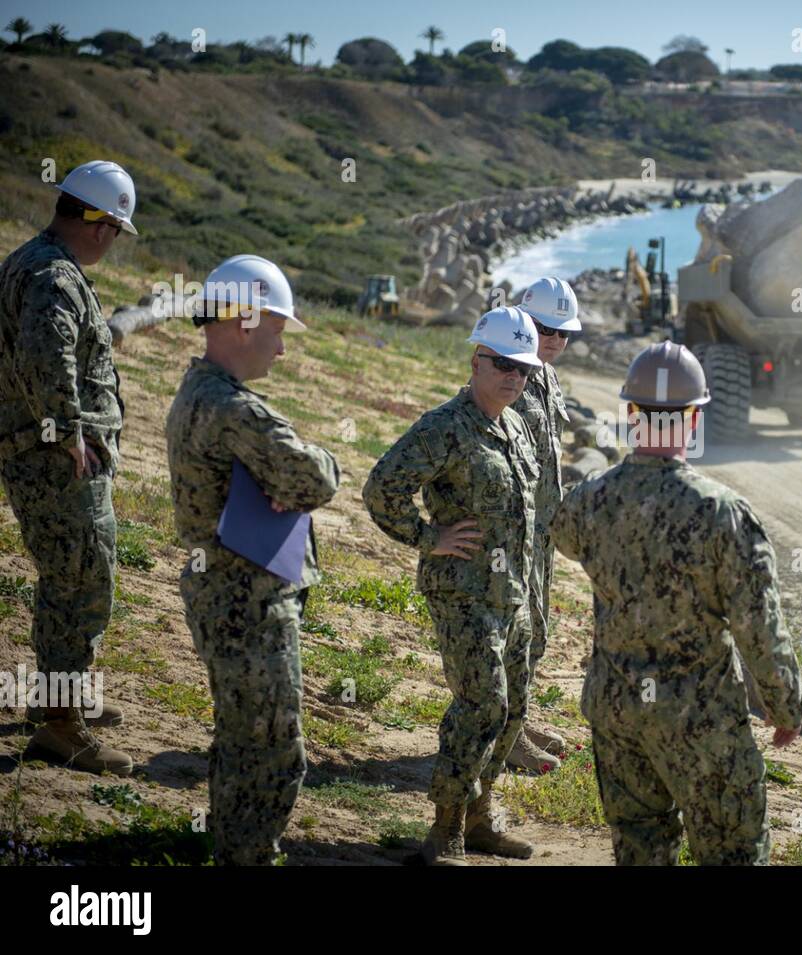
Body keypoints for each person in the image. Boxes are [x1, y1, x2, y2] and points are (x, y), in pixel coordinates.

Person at [551, 341, 802, 865]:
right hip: (700, 717)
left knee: (640, 846)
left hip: (617, 708)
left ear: (630, 414)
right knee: (733, 849)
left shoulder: (591, 499)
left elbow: (564, 537)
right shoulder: (722, 513)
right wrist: (785, 707)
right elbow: (760, 626)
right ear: (694, 419)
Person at [166, 254, 340, 864]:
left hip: (223, 590)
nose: (282, 350)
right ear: (245, 320)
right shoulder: (236, 409)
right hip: (247, 602)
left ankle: (231, 846)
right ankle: (247, 855)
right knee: (273, 748)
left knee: (241, 735)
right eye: (279, 330)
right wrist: (312, 464)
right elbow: (316, 479)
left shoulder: (199, 389)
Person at [363, 306, 542, 866]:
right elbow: (382, 488)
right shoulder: (445, 426)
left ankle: (482, 817)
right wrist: (426, 536)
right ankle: (446, 831)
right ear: (476, 361)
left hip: (512, 595)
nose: (513, 376)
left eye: (524, 368)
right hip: (462, 593)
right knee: (481, 703)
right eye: (502, 363)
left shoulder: (517, 425)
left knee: (512, 710)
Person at [0, 160, 139, 775]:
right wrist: (68, 430)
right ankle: (62, 726)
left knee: (70, 574)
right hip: (56, 461)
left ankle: (61, 699)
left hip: (45, 452)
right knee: (82, 579)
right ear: (104, 226)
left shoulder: (34, 261)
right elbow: (45, 355)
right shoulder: (54, 276)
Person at [507, 276, 581, 773]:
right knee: (515, 633)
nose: (553, 340)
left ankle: (518, 717)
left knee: (536, 632)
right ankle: (507, 738)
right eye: (544, 328)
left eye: (563, 333)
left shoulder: (546, 375)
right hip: (511, 532)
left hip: (541, 532)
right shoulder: (506, 372)